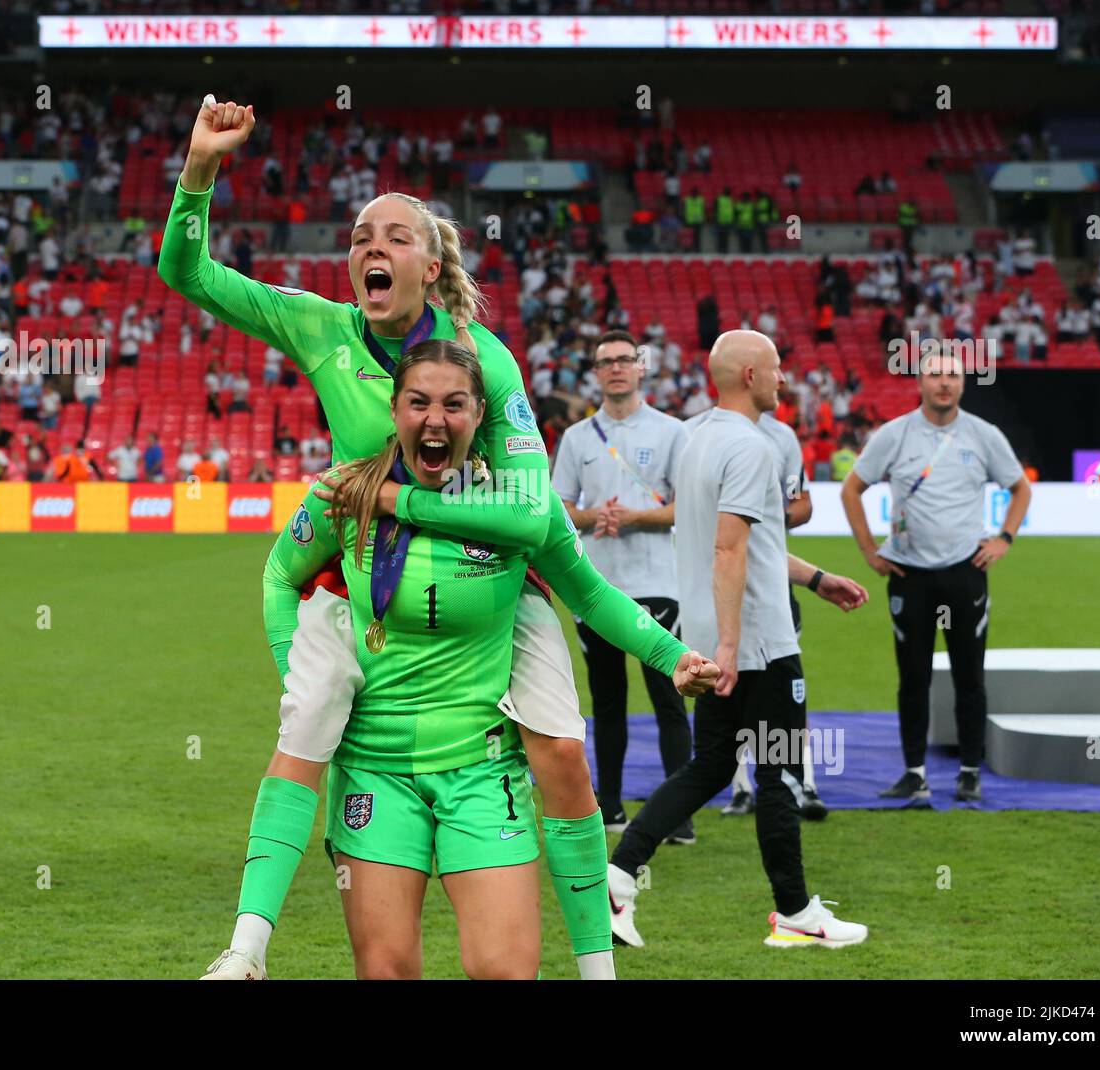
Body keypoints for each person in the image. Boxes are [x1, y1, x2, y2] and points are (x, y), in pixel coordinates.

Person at [162, 95, 717, 982]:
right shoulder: (318, 327)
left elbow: (533, 514)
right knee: (308, 724)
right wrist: (199, 170)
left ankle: (595, 953)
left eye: (394, 236)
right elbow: (188, 276)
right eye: (358, 237)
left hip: (489, 568)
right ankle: (247, 947)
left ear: (430, 264)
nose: (370, 247)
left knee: (562, 751)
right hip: (357, 580)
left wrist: (398, 504)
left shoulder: (483, 362)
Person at [202, 343, 715, 980]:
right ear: (394, 409)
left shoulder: (518, 508)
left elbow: (590, 592)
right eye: (418, 402)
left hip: (481, 771)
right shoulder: (348, 492)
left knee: (503, 971)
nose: (435, 419)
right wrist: (294, 671)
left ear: (479, 415)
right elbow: (281, 572)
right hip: (373, 771)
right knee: (387, 971)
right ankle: (246, 950)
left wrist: (672, 656)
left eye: (454, 404)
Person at [607, 331, 870, 951]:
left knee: (711, 766)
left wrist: (818, 578)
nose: (785, 381)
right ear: (751, 374)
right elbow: (731, 549)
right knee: (778, 771)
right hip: (757, 644)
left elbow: (751, 546)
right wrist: (729, 647)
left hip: (712, 630)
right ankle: (795, 914)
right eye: (778, 369)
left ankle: (618, 876)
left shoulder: (697, 438)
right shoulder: (753, 448)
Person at [839, 352, 1032, 804]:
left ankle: (969, 772)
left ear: (963, 382)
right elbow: (852, 488)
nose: (943, 383)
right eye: (934, 374)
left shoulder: (984, 435)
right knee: (912, 678)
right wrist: (870, 550)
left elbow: (1020, 487)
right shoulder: (895, 434)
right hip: (911, 577)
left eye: (951, 375)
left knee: (970, 676)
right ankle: (914, 773)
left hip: (966, 572)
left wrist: (1004, 537)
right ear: (920, 381)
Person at [552, 330, 694, 843]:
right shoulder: (577, 438)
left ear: (640, 368)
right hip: (597, 588)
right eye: (605, 361)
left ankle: (679, 817)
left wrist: (640, 517)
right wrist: (593, 517)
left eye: (623, 360)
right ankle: (609, 807)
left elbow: (689, 507)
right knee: (606, 701)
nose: (615, 368)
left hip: (658, 582)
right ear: (595, 373)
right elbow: (559, 509)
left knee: (669, 696)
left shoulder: (673, 432)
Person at [710, 405, 829, 821]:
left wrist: (764, 513)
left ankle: (803, 782)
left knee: (787, 683)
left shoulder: (783, 437)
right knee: (730, 683)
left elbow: (803, 503)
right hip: (723, 579)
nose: (778, 382)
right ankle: (741, 787)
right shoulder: (705, 434)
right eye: (770, 371)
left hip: (772, 580)